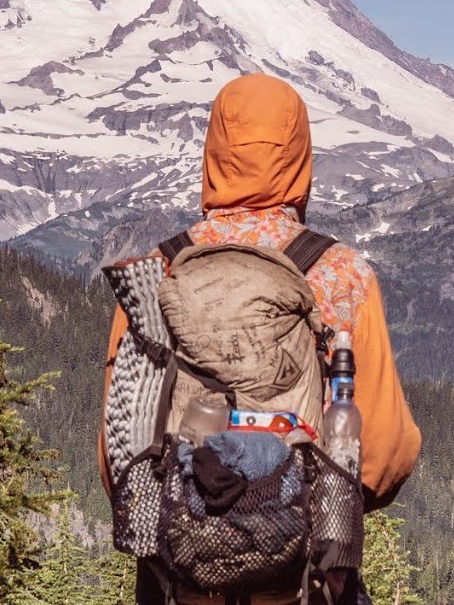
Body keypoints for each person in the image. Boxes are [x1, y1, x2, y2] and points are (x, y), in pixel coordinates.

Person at [97, 73, 422, 604]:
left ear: (213, 154)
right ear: (299, 157)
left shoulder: (153, 277)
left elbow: (119, 455)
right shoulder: (342, 275)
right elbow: (385, 454)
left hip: (178, 585)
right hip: (302, 583)